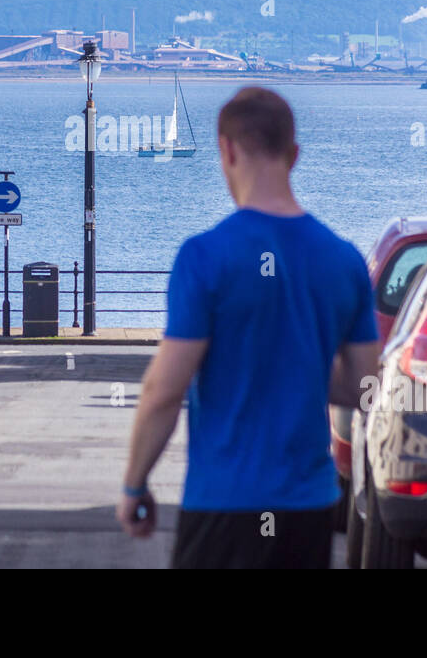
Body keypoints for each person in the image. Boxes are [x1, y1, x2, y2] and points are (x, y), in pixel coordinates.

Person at [116, 86, 380, 568]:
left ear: (226, 149)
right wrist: (299, 361)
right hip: (309, 509)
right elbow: (366, 388)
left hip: (224, 504)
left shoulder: (204, 257)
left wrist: (135, 483)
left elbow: (163, 391)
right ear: (294, 154)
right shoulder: (344, 261)